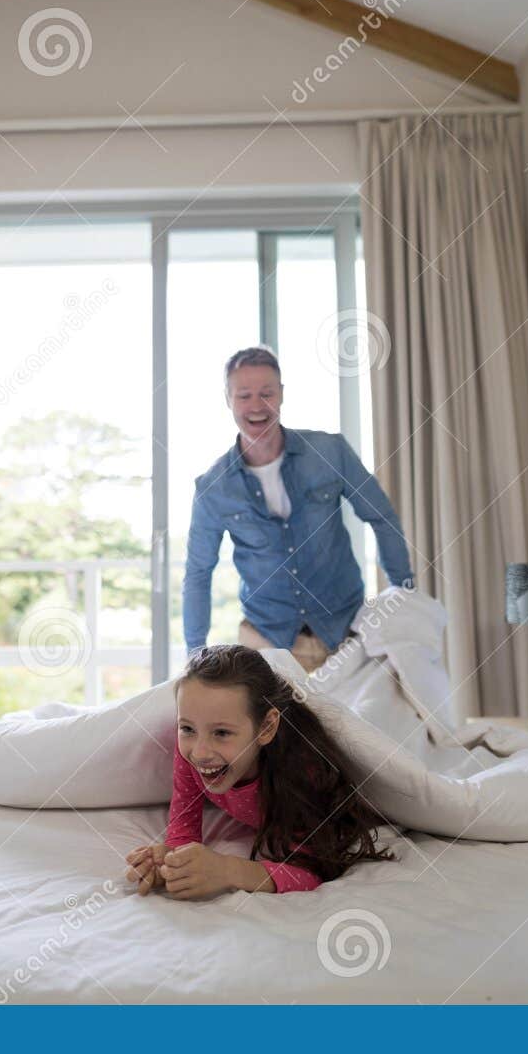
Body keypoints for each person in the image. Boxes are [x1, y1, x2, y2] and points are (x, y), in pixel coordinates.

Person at [183, 345, 415, 672]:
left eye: (266, 393)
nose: (256, 406)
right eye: (244, 395)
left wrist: (404, 593)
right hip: (268, 641)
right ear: (228, 400)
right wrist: (196, 655)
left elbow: (381, 516)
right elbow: (198, 572)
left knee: (358, 723)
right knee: (278, 725)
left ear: (281, 394)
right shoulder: (213, 488)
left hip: (346, 632)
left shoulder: (330, 452)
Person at [124, 644, 393, 899]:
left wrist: (227, 870)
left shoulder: (302, 769)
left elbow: (312, 869)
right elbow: (184, 830)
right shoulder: (192, 753)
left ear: (266, 728)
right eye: (187, 729)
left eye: (222, 733)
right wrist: (171, 863)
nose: (201, 751)